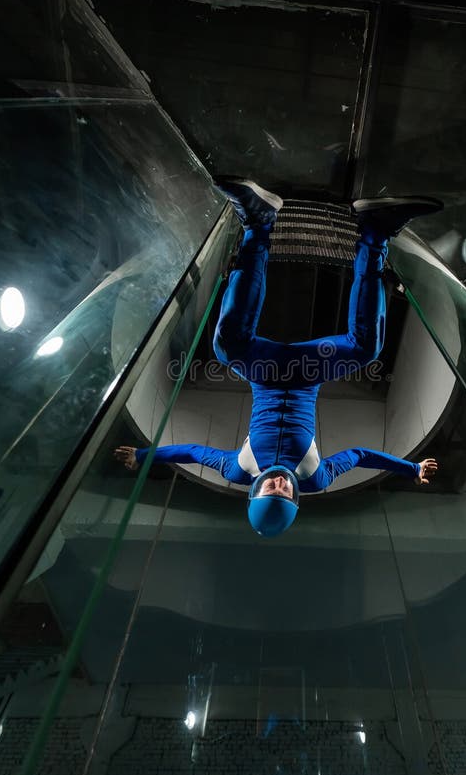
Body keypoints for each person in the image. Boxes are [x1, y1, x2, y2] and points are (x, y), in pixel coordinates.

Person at [115, 178, 441, 537]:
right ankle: (375, 233)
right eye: (285, 493)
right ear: (297, 498)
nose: (278, 485)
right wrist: (409, 469)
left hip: (265, 371)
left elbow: (192, 451)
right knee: (366, 348)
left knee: (228, 346)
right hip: (307, 373)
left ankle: (257, 222)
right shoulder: (316, 478)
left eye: (269, 490)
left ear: (254, 492)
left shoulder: (237, 470)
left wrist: (144, 457)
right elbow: (361, 455)